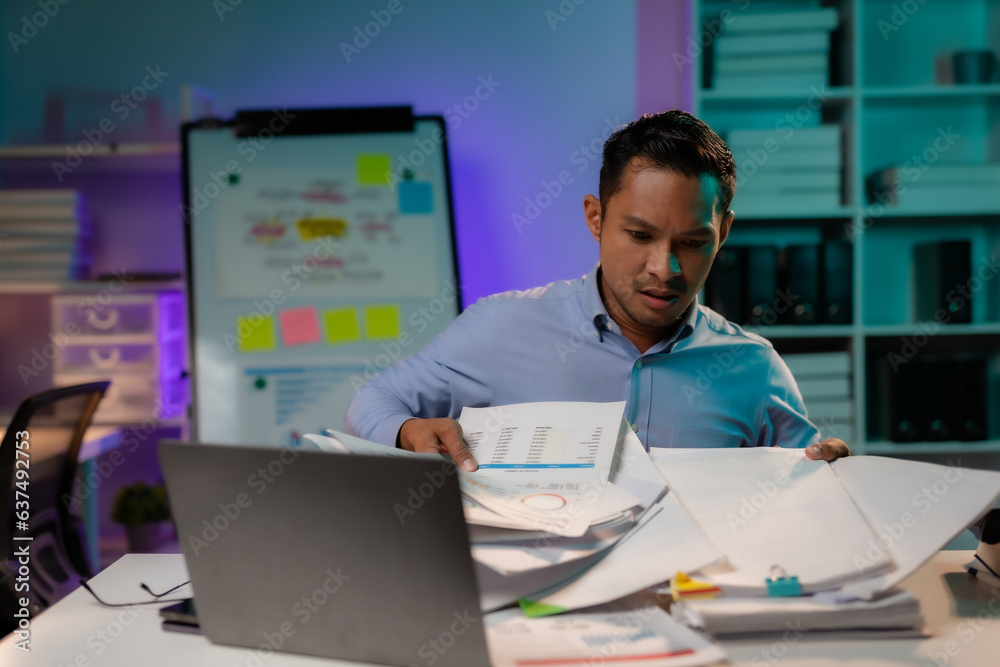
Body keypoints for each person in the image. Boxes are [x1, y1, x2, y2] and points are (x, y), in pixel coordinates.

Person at [345, 109, 850, 471]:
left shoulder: (754, 368)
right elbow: (373, 401)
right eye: (640, 235)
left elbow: (808, 485)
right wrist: (407, 431)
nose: (665, 268)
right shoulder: (501, 328)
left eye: (693, 242)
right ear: (595, 217)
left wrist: (835, 475)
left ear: (723, 234)